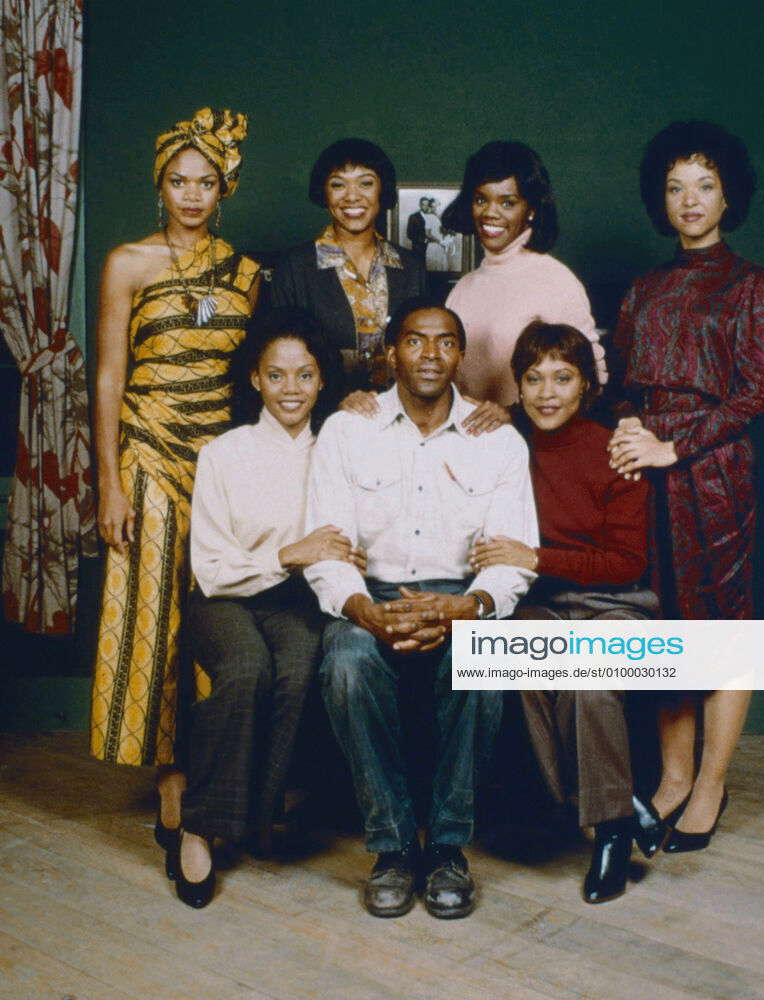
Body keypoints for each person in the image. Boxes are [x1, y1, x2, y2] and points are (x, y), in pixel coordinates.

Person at [304, 296, 538, 919]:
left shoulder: (499, 442)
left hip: (461, 594)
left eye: (444, 342)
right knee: (348, 665)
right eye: (414, 340)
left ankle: (448, 849)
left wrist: (469, 606)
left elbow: (510, 559)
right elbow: (327, 546)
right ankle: (394, 847)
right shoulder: (346, 429)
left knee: (485, 666)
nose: (430, 354)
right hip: (369, 595)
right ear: (391, 352)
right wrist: (361, 608)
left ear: (461, 355)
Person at [89, 108, 259, 877]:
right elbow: (108, 376)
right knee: (155, 622)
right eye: (178, 181)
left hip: (221, 464)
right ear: (159, 184)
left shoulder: (248, 272)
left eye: (206, 183)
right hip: (148, 457)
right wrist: (106, 483)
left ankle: (219, 772)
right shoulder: (129, 261)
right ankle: (172, 783)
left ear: (225, 190)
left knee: (221, 619)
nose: (192, 195)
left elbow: (264, 383)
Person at [608, 121, 764, 854]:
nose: (689, 200)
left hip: (712, 474)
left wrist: (673, 445)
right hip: (647, 468)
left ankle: (710, 783)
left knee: (719, 625)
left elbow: (757, 392)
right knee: (664, 623)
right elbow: (621, 381)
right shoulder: (644, 288)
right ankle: (672, 777)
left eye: (704, 186)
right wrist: (625, 432)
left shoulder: (754, 286)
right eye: (676, 187)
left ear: (728, 194)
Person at [471, 321, 656, 903]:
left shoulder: (613, 451)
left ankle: (607, 831)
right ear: (518, 388)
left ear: (584, 387)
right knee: (512, 659)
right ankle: (617, 804)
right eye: (534, 379)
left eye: (562, 378)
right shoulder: (503, 441)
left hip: (615, 604)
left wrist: (536, 554)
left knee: (587, 677)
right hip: (540, 604)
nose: (548, 392)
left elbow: (627, 563)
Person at [175, 307, 353, 908]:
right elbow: (213, 569)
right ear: (255, 379)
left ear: (322, 379)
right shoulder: (224, 453)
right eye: (276, 376)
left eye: (304, 376)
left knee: (301, 666)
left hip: (293, 604)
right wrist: (288, 553)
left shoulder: (337, 449)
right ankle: (198, 825)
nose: (291, 390)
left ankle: (254, 814)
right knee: (247, 668)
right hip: (221, 600)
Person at [442, 141, 606, 414]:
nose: (490, 213)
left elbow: (591, 380)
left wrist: (514, 418)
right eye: (481, 199)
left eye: (508, 202)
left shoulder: (555, 280)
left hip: (532, 444)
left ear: (531, 210)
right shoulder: (463, 288)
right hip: (469, 443)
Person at [271, 138, 426, 391]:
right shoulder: (294, 267)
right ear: (324, 192)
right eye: (338, 185)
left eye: (366, 183)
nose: (352, 196)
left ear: (381, 190)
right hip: (323, 417)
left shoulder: (411, 267)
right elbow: (281, 357)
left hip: (398, 417)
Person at [406, 196, 430, 264]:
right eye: (423, 205)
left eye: (427, 205)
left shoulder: (431, 216)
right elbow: (409, 234)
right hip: (418, 247)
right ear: (420, 205)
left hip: (430, 246)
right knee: (418, 265)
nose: (425, 207)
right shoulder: (413, 217)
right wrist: (423, 240)